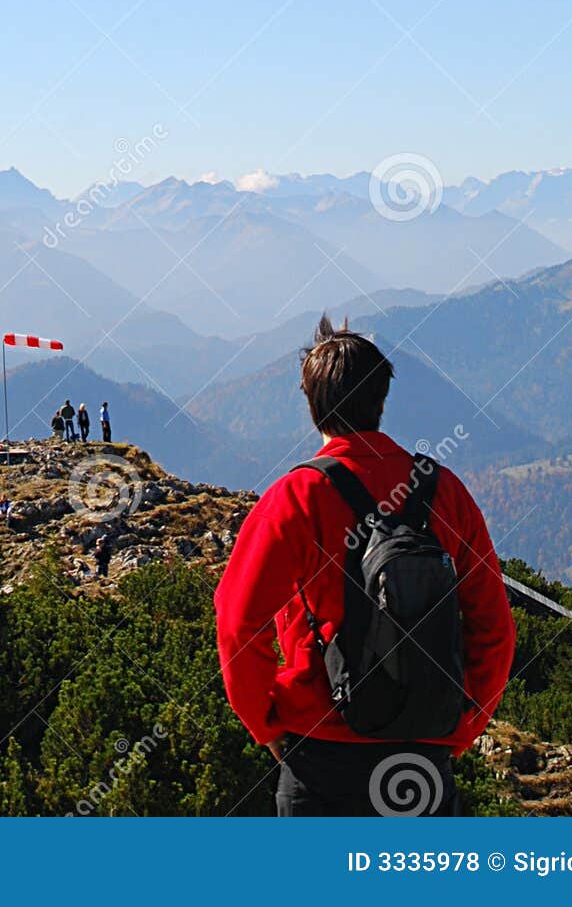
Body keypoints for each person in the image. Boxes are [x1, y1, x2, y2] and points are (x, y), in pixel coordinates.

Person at [213, 316, 515, 818]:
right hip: (423, 756)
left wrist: (264, 723)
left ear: (311, 404)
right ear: (381, 400)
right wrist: (463, 725)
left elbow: (237, 621)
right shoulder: (446, 492)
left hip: (321, 755)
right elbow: (495, 629)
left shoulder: (296, 497)